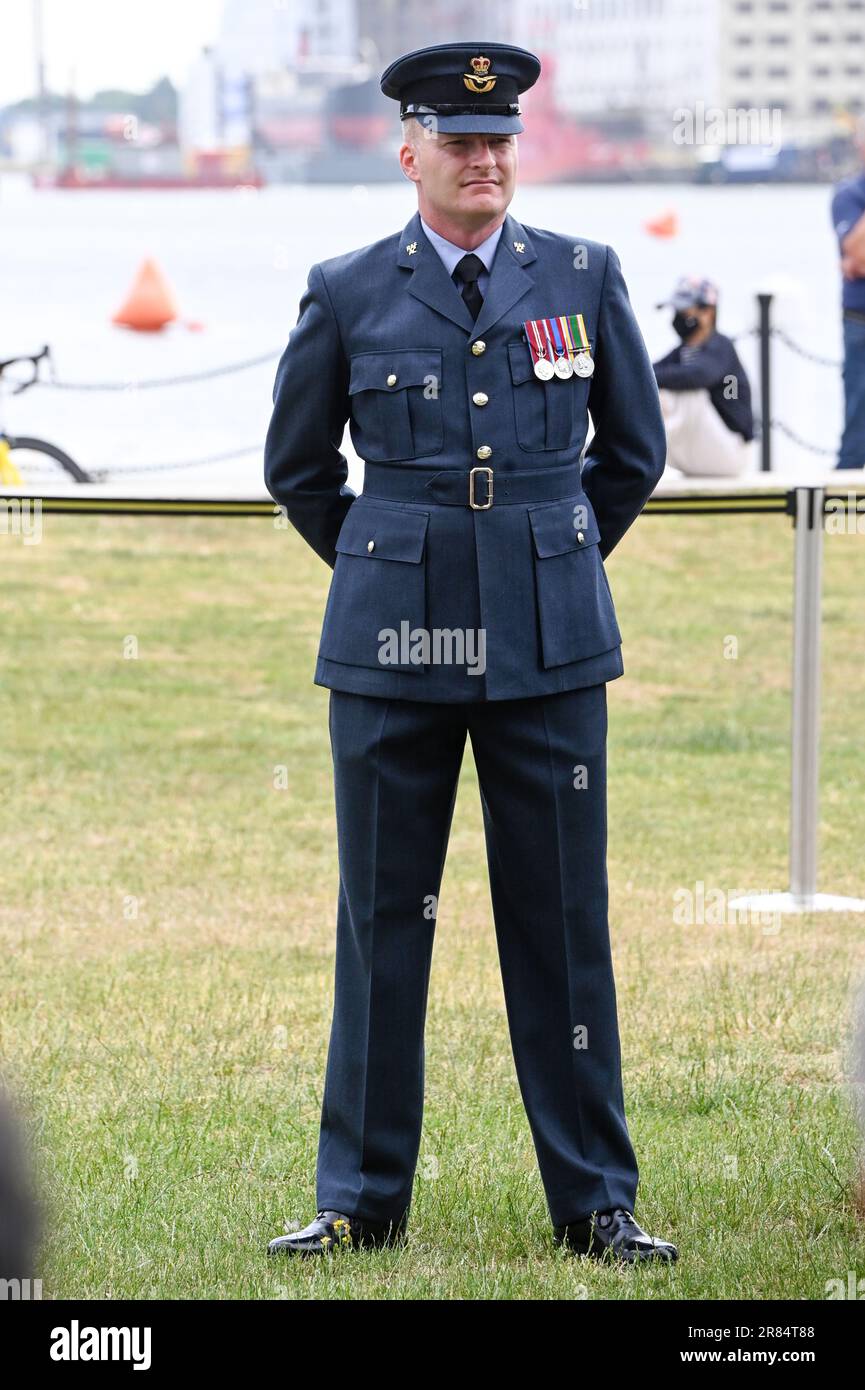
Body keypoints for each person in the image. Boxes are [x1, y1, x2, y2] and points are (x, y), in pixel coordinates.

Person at [263, 41, 677, 1264]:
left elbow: (631, 457)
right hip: (392, 645)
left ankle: (595, 1201)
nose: (483, 158)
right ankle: (359, 1202)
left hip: (548, 650)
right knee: (383, 918)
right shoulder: (346, 288)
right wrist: (391, 557)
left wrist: (549, 563)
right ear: (410, 151)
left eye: (498, 141)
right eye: (458, 140)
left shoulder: (585, 276)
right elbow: (297, 471)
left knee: (561, 923)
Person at [652, 276, 754, 478]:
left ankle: (645, 447)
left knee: (688, 392)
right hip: (701, 449)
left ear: (707, 312)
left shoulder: (721, 347)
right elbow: (647, 373)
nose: (678, 317)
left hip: (730, 448)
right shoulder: (682, 352)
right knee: (652, 390)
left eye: (684, 310)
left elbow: (699, 375)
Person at [831, 118, 865, 470]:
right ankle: (846, 496)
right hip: (860, 320)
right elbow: (856, 255)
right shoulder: (850, 194)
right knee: (858, 416)